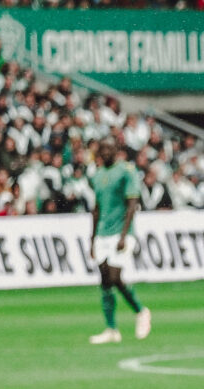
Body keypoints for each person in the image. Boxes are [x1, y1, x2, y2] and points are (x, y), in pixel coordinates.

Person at [87, 138, 151, 345]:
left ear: (116, 151)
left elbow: (132, 203)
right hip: (102, 234)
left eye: (108, 149)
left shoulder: (126, 171)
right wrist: (92, 238)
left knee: (115, 276)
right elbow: (96, 208)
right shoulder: (97, 175)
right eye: (101, 149)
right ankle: (111, 329)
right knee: (105, 280)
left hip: (120, 233)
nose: (104, 153)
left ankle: (141, 311)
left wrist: (124, 235)